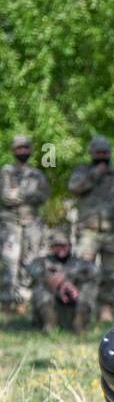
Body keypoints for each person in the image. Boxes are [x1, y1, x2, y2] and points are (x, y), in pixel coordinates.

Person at [68, 135, 114, 323]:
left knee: (113, 271)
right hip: (88, 231)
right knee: (83, 270)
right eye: (98, 153)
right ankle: (83, 308)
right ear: (91, 154)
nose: (102, 157)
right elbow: (74, 187)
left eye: (105, 153)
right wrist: (94, 175)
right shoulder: (82, 172)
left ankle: (106, 307)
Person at [0, 134, 50, 314]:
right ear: (14, 150)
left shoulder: (37, 174)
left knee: (29, 264)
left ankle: (23, 304)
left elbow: (43, 196)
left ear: (30, 150)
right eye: (19, 148)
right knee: (9, 264)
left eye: (26, 148)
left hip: (31, 224)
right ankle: (7, 304)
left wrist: (18, 194)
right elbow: (5, 196)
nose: (23, 151)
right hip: (10, 225)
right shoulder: (6, 171)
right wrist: (28, 195)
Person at [28, 230, 96, 333]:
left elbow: (95, 271)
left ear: (70, 246)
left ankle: (80, 323)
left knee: (88, 286)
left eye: (63, 245)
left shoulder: (79, 262)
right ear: (51, 247)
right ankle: (50, 324)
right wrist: (60, 284)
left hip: (74, 301)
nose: (60, 249)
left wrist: (66, 276)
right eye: (56, 245)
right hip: (52, 301)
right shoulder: (43, 261)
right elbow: (32, 270)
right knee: (39, 287)